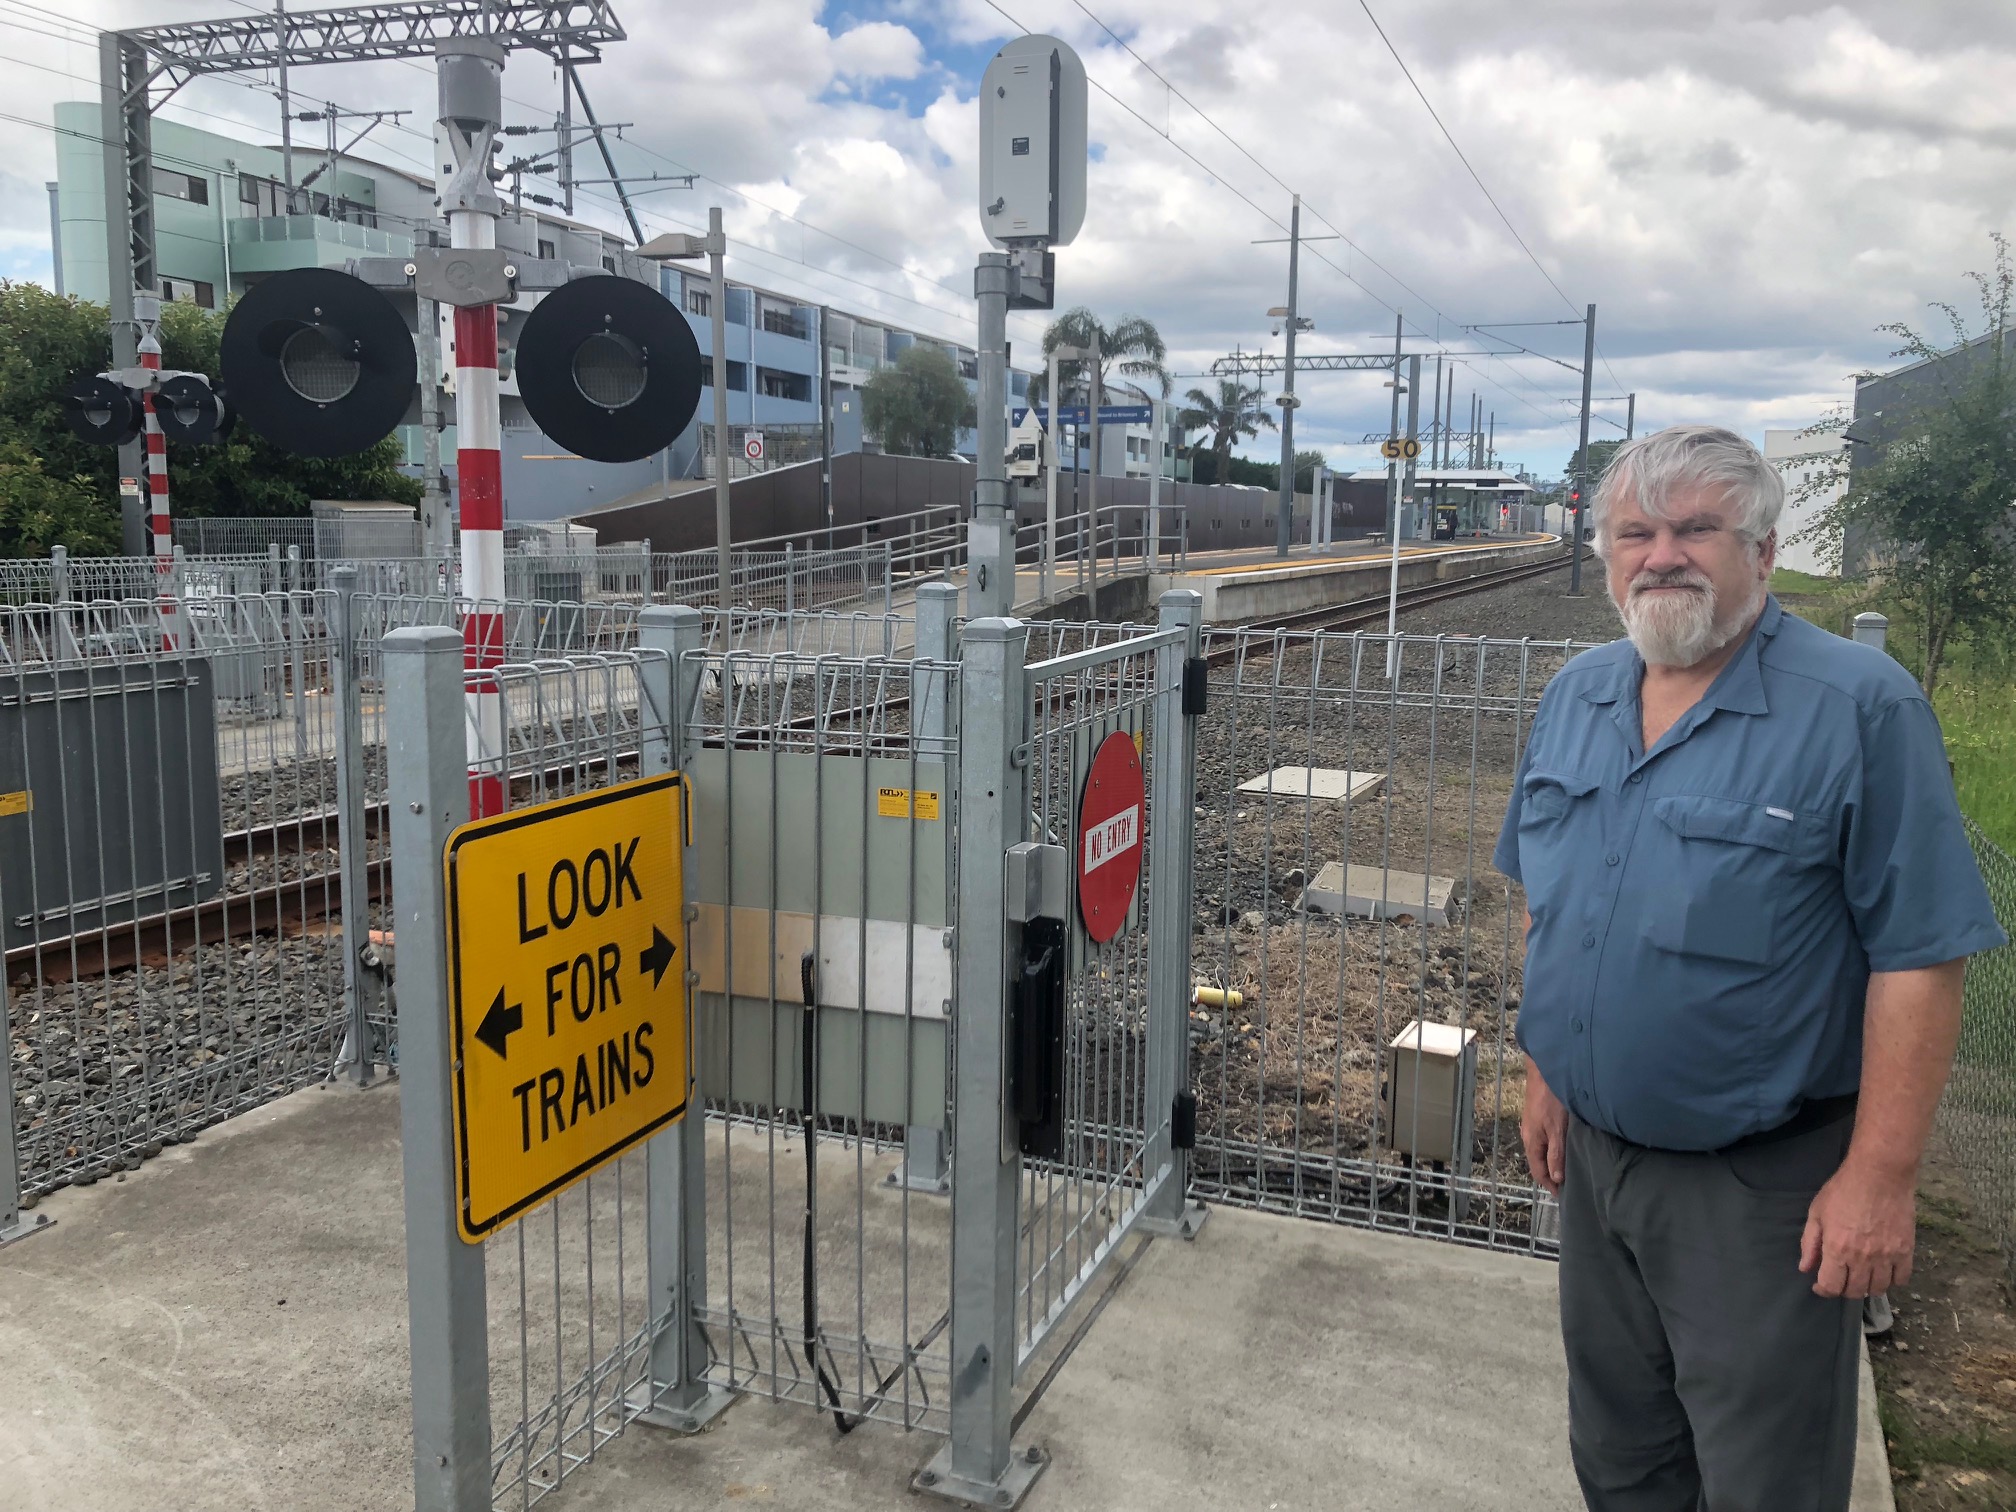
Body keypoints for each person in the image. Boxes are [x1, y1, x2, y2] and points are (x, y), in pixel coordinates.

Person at [1492, 425, 2006, 1511]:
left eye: (1696, 530)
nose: (1662, 555)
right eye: (1636, 533)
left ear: (1764, 552)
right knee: (1623, 1455)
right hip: (1596, 1167)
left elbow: (1920, 956)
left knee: (1761, 1477)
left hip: (1762, 1188)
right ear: (1605, 556)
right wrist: (1546, 1069)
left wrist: (1880, 1178)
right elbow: (1556, 903)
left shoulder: (1860, 709)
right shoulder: (1577, 696)